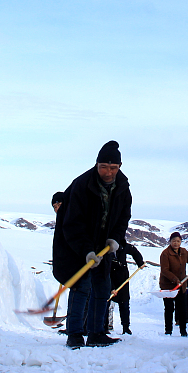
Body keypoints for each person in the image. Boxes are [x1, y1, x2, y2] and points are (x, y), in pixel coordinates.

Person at [52, 141, 131, 348]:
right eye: (104, 167)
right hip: (78, 244)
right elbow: (72, 223)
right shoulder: (81, 185)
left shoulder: (123, 187)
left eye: (113, 168)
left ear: (120, 167)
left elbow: (123, 216)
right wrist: (86, 251)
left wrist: (115, 238)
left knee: (103, 287)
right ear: (96, 165)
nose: (108, 172)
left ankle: (97, 333)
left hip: (103, 244)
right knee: (81, 286)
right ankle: (75, 334)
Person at [159, 232, 188, 336]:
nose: (176, 243)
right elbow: (164, 270)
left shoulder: (184, 252)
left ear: (181, 242)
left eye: (178, 241)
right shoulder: (165, 253)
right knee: (169, 308)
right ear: (170, 242)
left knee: (182, 307)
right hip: (168, 286)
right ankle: (168, 330)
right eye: (174, 241)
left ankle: (183, 330)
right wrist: (175, 279)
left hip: (182, 284)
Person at [107, 242, 144, 335]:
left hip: (123, 279)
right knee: (106, 303)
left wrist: (140, 262)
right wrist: (111, 288)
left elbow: (134, 251)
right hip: (109, 278)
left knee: (124, 303)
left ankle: (126, 327)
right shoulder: (105, 248)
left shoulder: (123, 246)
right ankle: (104, 327)